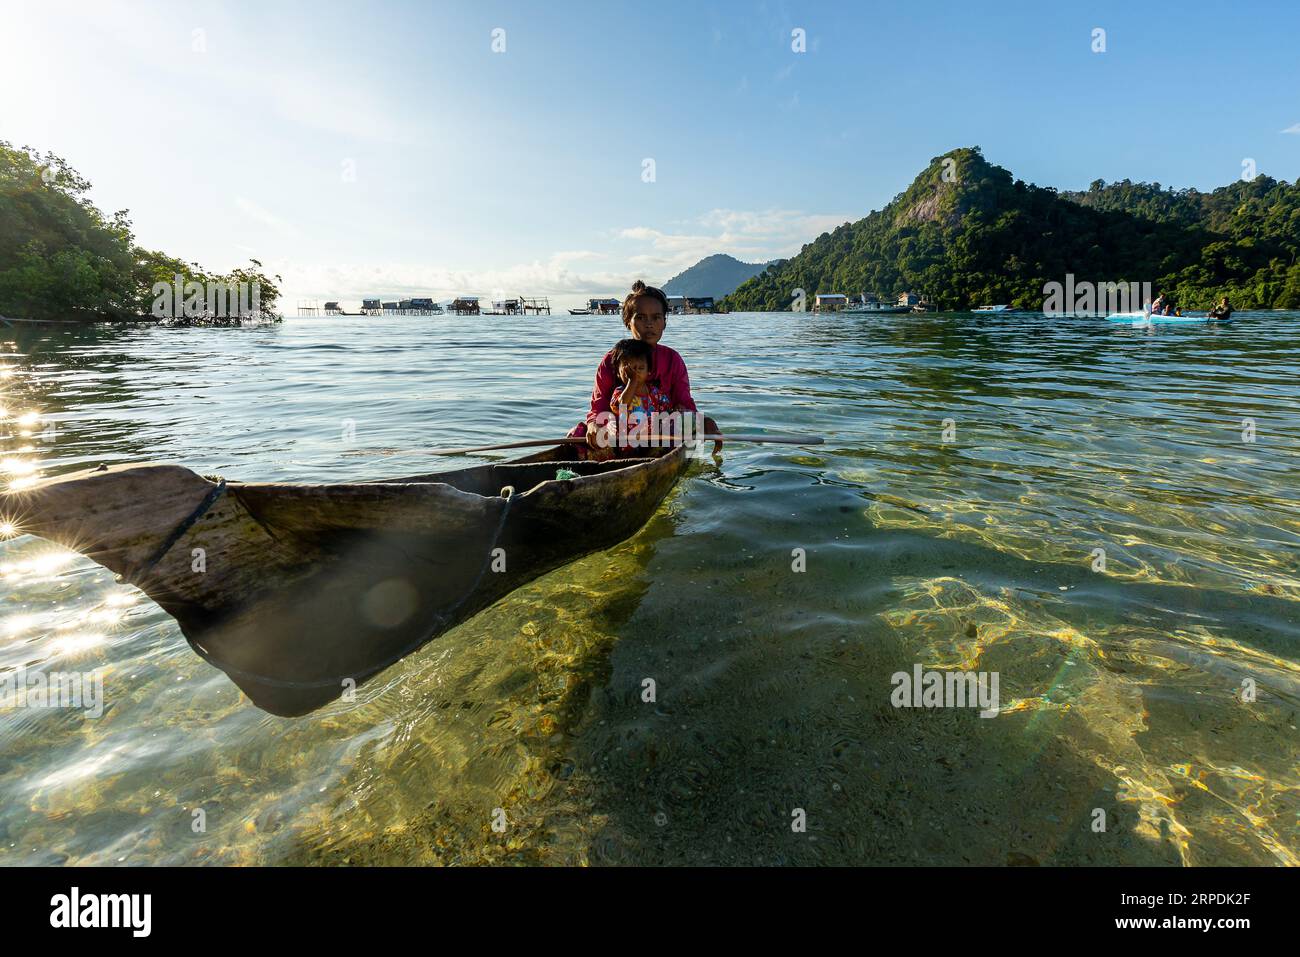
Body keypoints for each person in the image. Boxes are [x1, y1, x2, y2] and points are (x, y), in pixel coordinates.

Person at [571, 280, 720, 456]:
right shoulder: (611, 360)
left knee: (692, 422)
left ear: (664, 322)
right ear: (628, 322)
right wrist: (594, 425)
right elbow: (599, 407)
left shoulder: (672, 360)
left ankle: (657, 457)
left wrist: (697, 419)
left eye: (656, 317)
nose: (649, 324)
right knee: (577, 435)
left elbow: (685, 403)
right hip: (622, 435)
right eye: (640, 318)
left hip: (660, 434)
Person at [608, 337, 676, 453]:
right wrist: (632, 381)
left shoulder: (655, 393)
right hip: (628, 446)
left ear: (648, 371)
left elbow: (667, 412)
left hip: (651, 443)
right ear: (618, 373)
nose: (636, 373)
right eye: (630, 369)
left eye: (641, 368)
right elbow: (621, 405)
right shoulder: (620, 392)